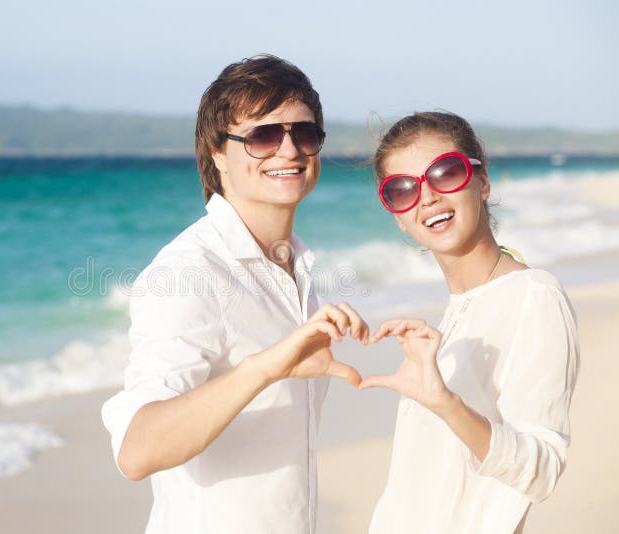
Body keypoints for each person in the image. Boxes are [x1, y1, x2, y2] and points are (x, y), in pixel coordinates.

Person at [101, 54, 368, 534]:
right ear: (218, 152)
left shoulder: (295, 269)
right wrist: (266, 366)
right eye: (263, 136)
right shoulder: (190, 274)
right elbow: (136, 451)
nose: (288, 151)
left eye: (303, 134)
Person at [360, 111, 580, 533]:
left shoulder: (534, 296)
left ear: (482, 182)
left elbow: (542, 469)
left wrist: (446, 404)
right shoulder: (454, 316)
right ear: (397, 216)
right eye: (402, 189)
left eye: (445, 172)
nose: (426, 197)